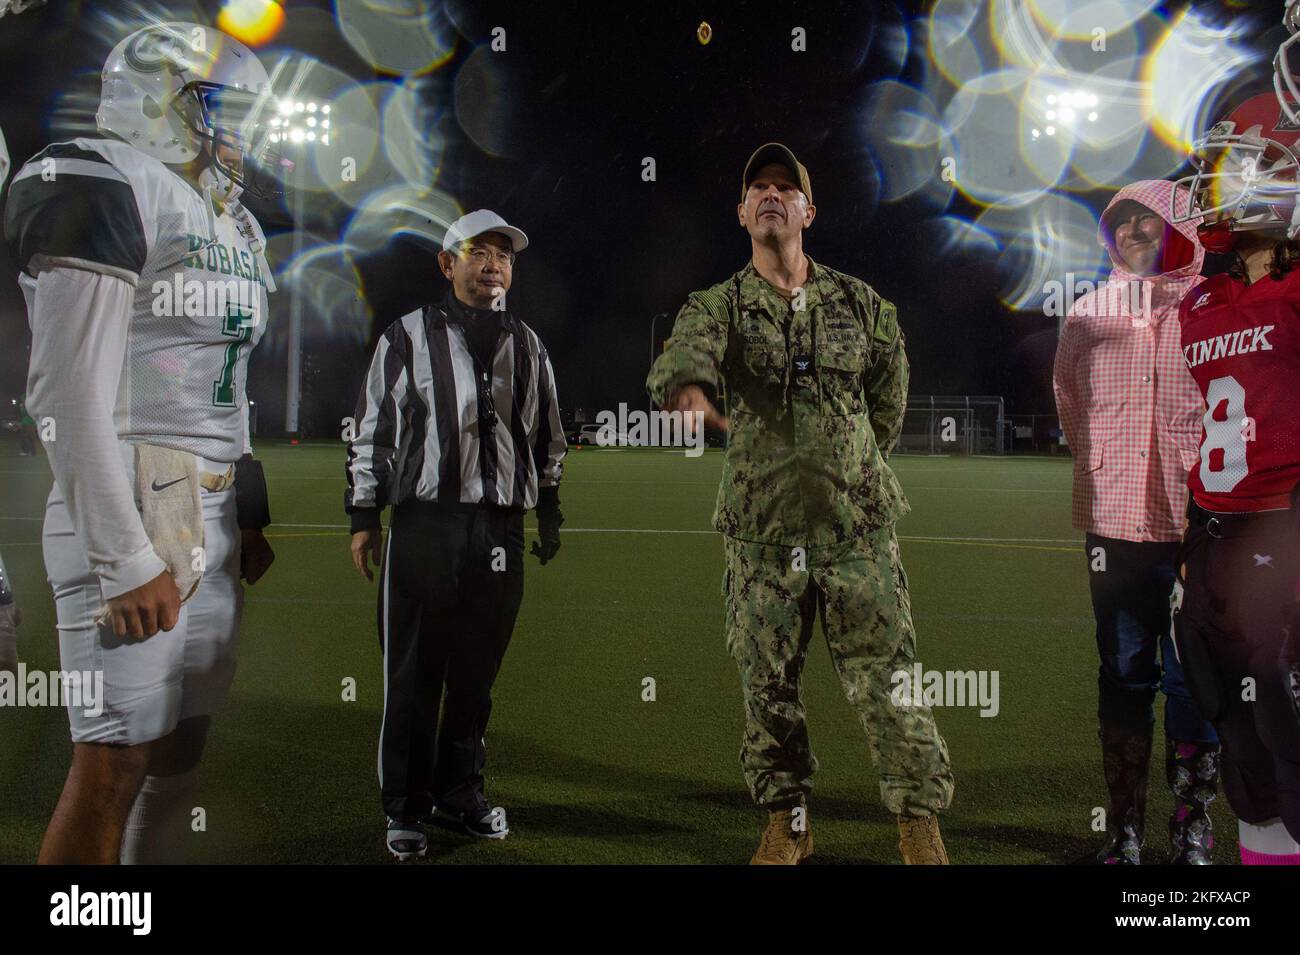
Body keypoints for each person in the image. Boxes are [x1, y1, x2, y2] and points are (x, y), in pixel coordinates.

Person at [3, 22, 281, 864]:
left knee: (180, 745)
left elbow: (228, 383)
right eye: (225, 109)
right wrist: (123, 558)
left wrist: (248, 511)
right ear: (162, 98)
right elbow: (64, 393)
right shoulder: (106, 176)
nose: (241, 134)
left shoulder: (234, 222)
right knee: (110, 766)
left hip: (214, 509)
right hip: (133, 499)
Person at [646, 143, 954, 865]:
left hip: (856, 533)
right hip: (762, 534)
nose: (772, 195)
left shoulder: (861, 303)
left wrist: (851, 468)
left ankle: (918, 821)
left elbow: (889, 394)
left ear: (808, 211)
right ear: (742, 212)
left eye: (786, 187)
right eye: (759, 187)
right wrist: (686, 385)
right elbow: (685, 348)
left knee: (890, 680)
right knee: (768, 685)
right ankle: (788, 820)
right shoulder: (719, 305)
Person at [344, 209, 566, 860]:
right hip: (426, 524)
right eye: (478, 252)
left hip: (499, 527)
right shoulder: (407, 336)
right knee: (415, 673)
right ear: (447, 264)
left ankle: (459, 793)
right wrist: (364, 515)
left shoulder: (528, 344)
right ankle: (406, 805)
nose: (493, 264)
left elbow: (547, 434)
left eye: (504, 255)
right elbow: (372, 429)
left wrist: (549, 510)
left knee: (475, 675)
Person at [1054, 180, 1221, 865]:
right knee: (1123, 675)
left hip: (1196, 530)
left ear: (1183, 229)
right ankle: (1123, 831)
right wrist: (1107, 465)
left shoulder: (1215, 307)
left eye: (1147, 220)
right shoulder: (1087, 312)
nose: (1131, 231)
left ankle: (1191, 829)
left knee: (1193, 680)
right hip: (1114, 527)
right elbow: (1070, 401)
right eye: (1120, 222)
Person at [1168, 89, 1300, 865]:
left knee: (1287, 732)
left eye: (1238, 165)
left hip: (1286, 531)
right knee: (1244, 746)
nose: (1215, 184)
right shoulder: (1204, 300)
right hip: (1218, 537)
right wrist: (1195, 534)